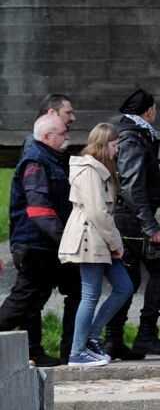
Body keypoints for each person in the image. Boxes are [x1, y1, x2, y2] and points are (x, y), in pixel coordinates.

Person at [0, 114, 81, 366]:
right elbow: (38, 209)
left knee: (73, 292)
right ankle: (50, 351)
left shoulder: (54, 159)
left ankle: (69, 352)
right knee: (24, 301)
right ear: (46, 136)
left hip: (48, 244)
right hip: (36, 245)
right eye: (62, 133)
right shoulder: (35, 161)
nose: (68, 137)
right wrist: (67, 241)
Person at [104, 89, 160, 359]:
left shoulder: (132, 135)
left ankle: (114, 339)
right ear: (149, 111)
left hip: (129, 217)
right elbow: (132, 186)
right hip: (132, 219)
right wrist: (150, 226)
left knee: (129, 278)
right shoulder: (133, 138)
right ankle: (144, 336)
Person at [59, 124, 135, 367]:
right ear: (103, 144)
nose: (117, 150)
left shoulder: (99, 168)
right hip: (90, 238)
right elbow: (97, 212)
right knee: (90, 295)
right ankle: (77, 351)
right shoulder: (90, 170)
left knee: (124, 287)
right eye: (114, 145)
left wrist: (113, 242)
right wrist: (116, 243)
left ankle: (90, 337)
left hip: (100, 238)